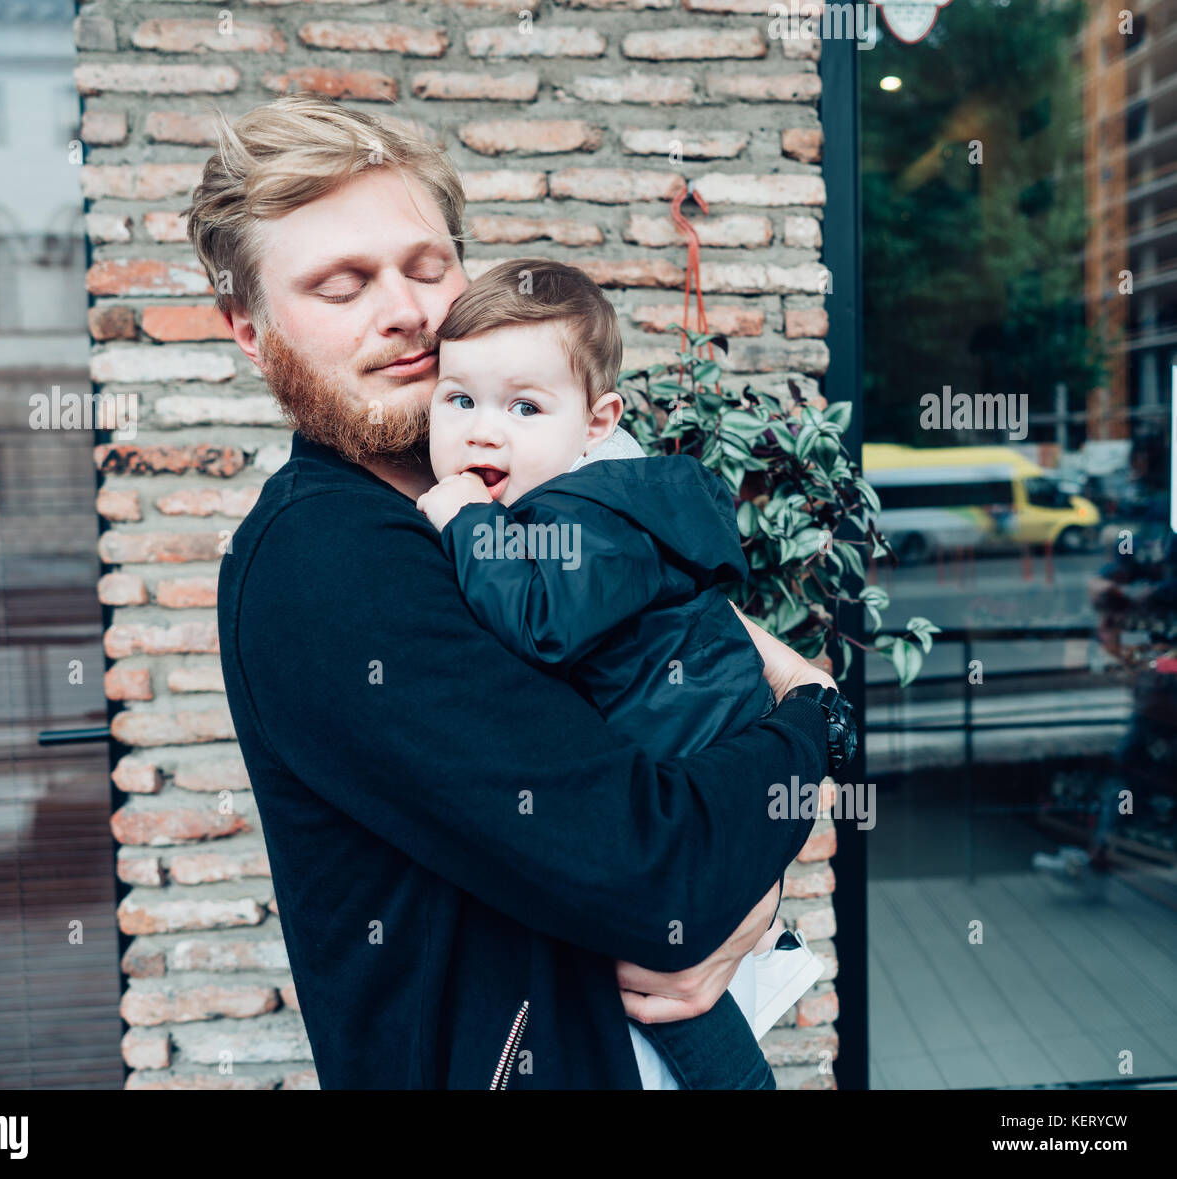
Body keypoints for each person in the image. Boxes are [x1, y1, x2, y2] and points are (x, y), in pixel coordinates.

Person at [191, 94, 847, 1088]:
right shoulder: (329, 567)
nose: (407, 311)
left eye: (426, 265)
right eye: (342, 284)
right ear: (248, 328)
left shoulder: (526, 489)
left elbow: (686, 662)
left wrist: (748, 878)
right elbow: (653, 866)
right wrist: (811, 721)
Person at [414, 258, 829, 1087]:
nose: (483, 430)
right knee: (672, 988)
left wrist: (460, 519)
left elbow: (543, 625)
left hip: (687, 769)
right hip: (692, 766)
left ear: (597, 422)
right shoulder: (587, 494)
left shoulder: (588, 514)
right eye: (459, 399)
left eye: (524, 407)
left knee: (667, 988)